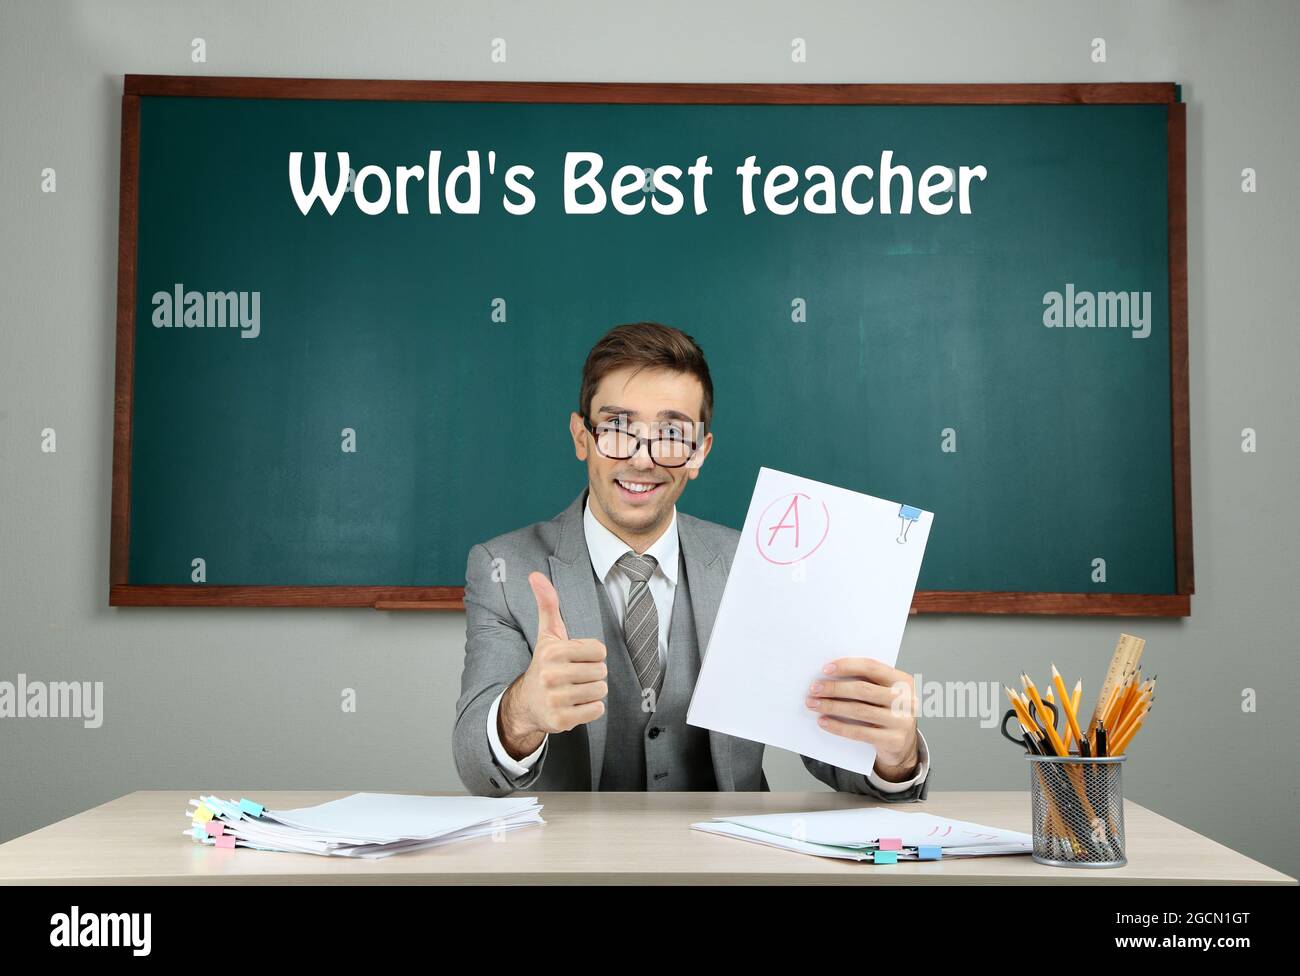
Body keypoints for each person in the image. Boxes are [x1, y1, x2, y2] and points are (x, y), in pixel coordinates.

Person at [454, 322, 930, 797]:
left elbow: (837, 752)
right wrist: (522, 712)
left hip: (727, 863)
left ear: (700, 451)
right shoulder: (504, 568)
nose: (642, 459)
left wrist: (895, 753)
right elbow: (477, 767)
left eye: (671, 433)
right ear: (582, 437)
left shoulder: (757, 567)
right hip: (571, 866)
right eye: (618, 428)